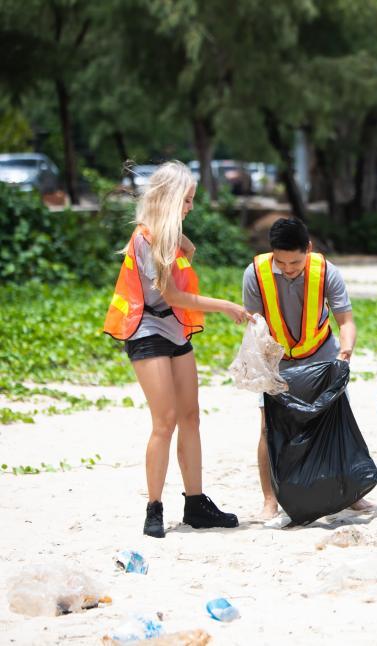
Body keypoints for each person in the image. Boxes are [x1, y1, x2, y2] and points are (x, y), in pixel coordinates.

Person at [103, 160, 251, 539]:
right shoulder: (145, 238)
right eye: (186, 200)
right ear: (169, 198)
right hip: (145, 329)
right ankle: (154, 508)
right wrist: (227, 306)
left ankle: (196, 503)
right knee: (165, 420)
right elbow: (173, 294)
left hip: (173, 328)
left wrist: (183, 239)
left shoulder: (169, 234)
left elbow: (185, 262)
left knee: (191, 416)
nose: (190, 207)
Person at [242, 217, 371, 519]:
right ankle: (269, 499)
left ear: (309, 249)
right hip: (276, 355)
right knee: (268, 425)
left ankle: (351, 493)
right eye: (282, 262)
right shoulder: (254, 274)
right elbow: (255, 326)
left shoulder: (328, 272)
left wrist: (346, 351)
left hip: (320, 350)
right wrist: (263, 367)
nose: (288, 268)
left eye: (295, 262)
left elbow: (346, 321)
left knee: (337, 419)